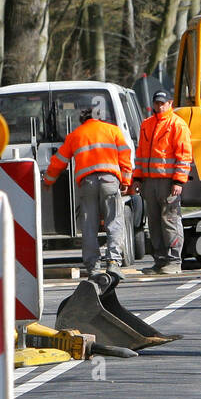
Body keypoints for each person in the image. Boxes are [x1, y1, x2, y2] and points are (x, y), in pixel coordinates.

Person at [44, 106, 134, 275]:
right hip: (109, 180)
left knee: (89, 225)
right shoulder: (112, 130)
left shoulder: (75, 135)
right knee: (113, 221)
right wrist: (126, 180)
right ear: (99, 118)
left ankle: (93, 267)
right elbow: (125, 156)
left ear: (82, 120)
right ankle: (113, 261)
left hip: (88, 183)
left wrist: (48, 180)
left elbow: (59, 161)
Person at [132, 91, 192, 275]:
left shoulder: (177, 124)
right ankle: (159, 260)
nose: (159, 106)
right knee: (154, 222)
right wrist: (138, 178)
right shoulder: (147, 124)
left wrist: (178, 181)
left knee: (170, 220)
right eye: (157, 103)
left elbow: (184, 156)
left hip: (168, 182)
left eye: (163, 103)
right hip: (150, 181)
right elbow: (141, 154)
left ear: (170, 103)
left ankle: (174, 260)